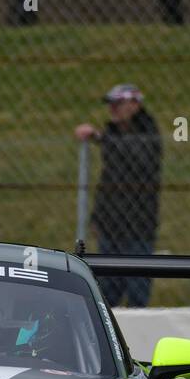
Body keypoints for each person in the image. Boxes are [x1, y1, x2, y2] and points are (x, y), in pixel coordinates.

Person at [74, 83, 163, 307]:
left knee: (137, 290)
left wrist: (101, 138)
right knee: (107, 291)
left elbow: (139, 158)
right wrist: (97, 217)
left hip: (139, 225)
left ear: (135, 104)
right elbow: (107, 181)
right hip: (111, 224)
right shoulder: (113, 134)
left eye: (118, 104)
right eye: (111, 105)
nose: (113, 109)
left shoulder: (148, 132)